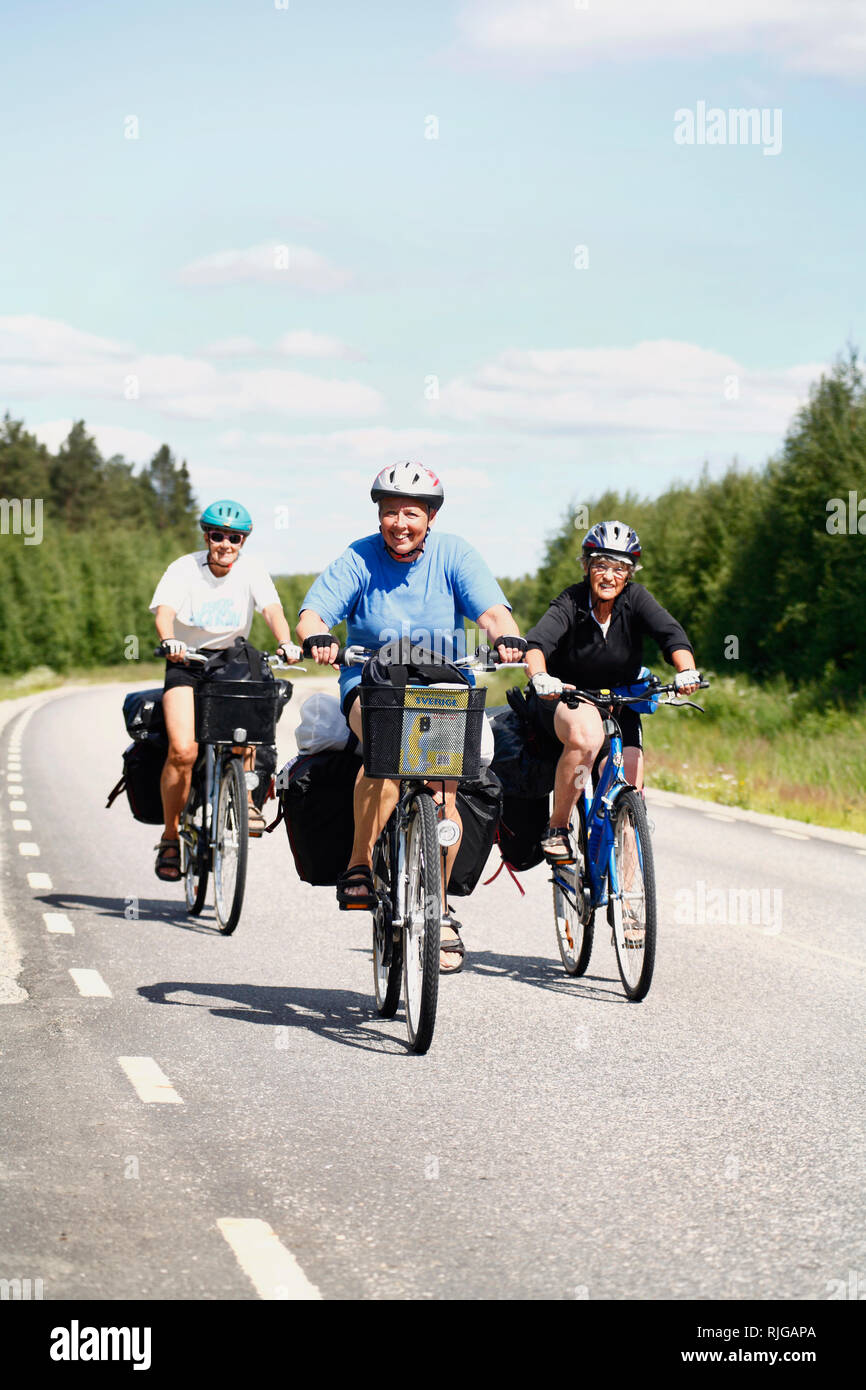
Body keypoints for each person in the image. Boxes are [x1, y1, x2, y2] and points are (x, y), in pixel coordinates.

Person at [296, 462, 525, 973]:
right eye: (390, 512)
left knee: (444, 785)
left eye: (412, 513)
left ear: (431, 518)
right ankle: (359, 862)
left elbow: (491, 611)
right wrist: (318, 635)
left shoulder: (455, 554)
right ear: (379, 515)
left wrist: (505, 636)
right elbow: (314, 612)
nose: (400, 523)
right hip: (372, 681)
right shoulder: (359, 557)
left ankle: (440, 909)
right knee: (383, 755)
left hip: (441, 681)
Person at [523, 519, 700, 863]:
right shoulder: (571, 602)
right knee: (587, 737)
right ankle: (558, 828)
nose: (609, 575)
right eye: (601, 564)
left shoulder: (636, 599)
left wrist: (686, 670)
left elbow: (671, 634)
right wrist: (541, 675)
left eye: (620, 567)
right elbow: (537, 643)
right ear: (587, 567)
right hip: (570, 698)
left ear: (630, 573)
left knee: (632, 790)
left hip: (621, 701)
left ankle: (630, 906)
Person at [150, 499, 299, 880]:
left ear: (243, 540)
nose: (225, 544)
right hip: (187, 663)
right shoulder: (185, 568)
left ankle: (247, 798)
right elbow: (164, 610)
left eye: (234, 538)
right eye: (218, 536)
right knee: (183, 751)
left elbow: (271, 610)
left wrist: (285, 641)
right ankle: (170, 837)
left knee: (247, 722)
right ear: (207, 536)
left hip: (232, 661)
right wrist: (169, 640)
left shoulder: (251, 570)